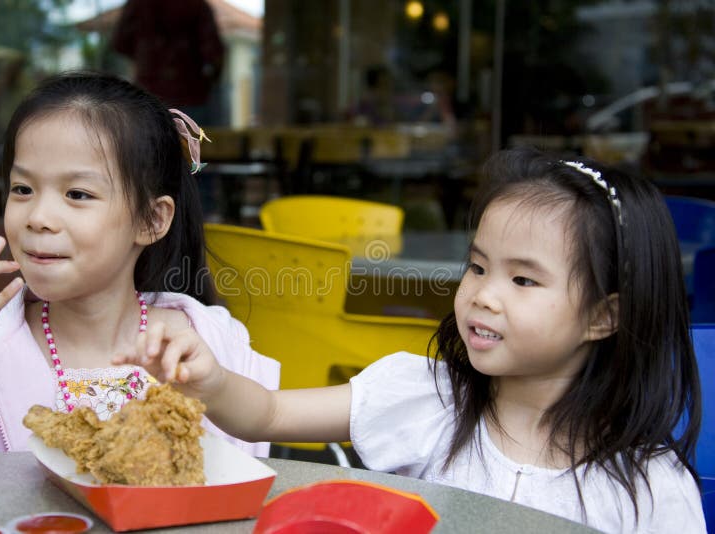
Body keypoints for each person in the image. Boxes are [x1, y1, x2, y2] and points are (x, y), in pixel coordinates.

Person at [117, 147, 706, 532]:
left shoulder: (650, 489)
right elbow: (269, 414)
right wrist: (213, 381)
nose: (483, 294)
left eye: (523, 280)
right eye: (478, 267)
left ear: (603, 317)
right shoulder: (429, 398)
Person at [0, 71, 279, 458]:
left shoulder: (211, 341)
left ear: (151, 220)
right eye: (23, 189)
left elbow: (244, 477)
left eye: (77, 194)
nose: (38, 217)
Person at [111, 0, 225, 125]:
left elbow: (120, 44)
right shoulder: (196, 5)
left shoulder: (137, 5)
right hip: (190, 95)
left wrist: (147, 61)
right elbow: (214, 54)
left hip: (148, 96)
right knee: (194, 135)